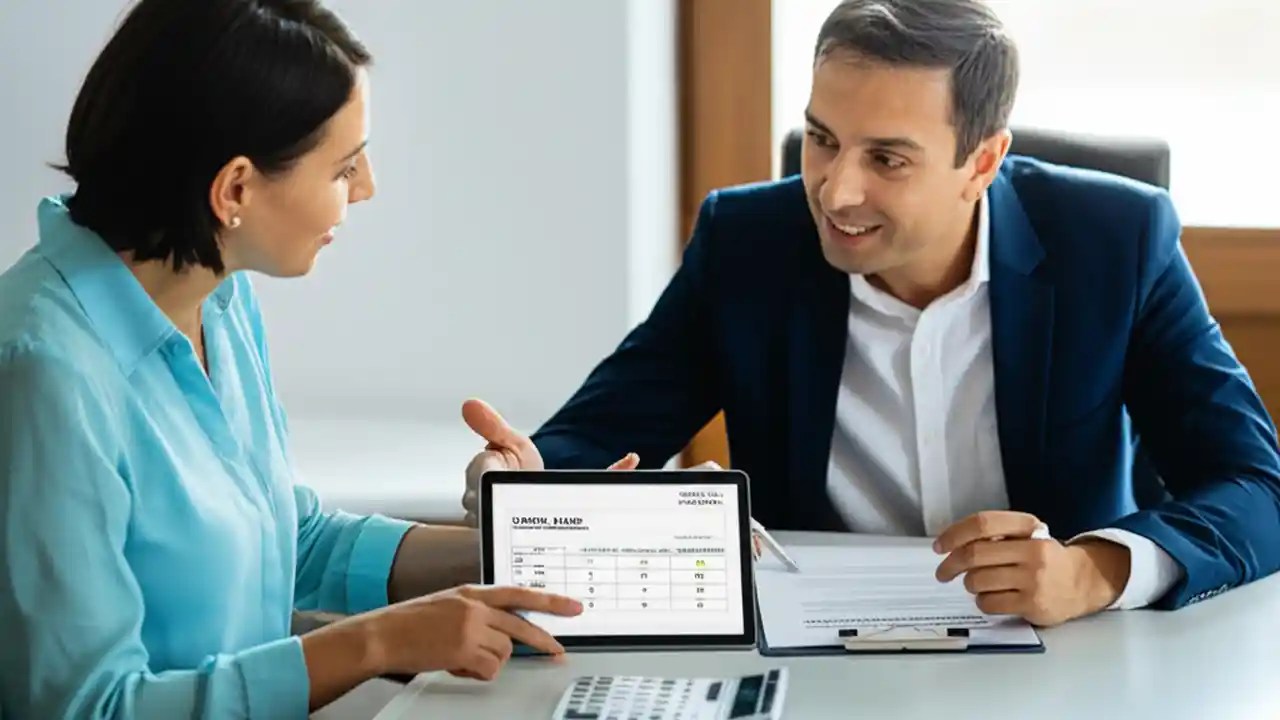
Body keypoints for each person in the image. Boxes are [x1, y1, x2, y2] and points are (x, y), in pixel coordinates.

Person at [463, 0, 1280, 627]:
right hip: (815, 654)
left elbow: (1255, 486)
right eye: (822, 140)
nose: (835, 191)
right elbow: (586, 444)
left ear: (983, 162)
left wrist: (1094, 571)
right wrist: (517, 484)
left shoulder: (1117, 241)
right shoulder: (746, 242)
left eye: (887, 158)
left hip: (1065, 655)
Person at [0, 1, 607, 717]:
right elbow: (87, 707)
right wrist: (376, 644)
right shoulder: (45, 372)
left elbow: (291, 540)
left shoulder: (217, 300)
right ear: (235, 189)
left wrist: (524, 544)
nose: (368, 187)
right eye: (345, 166)